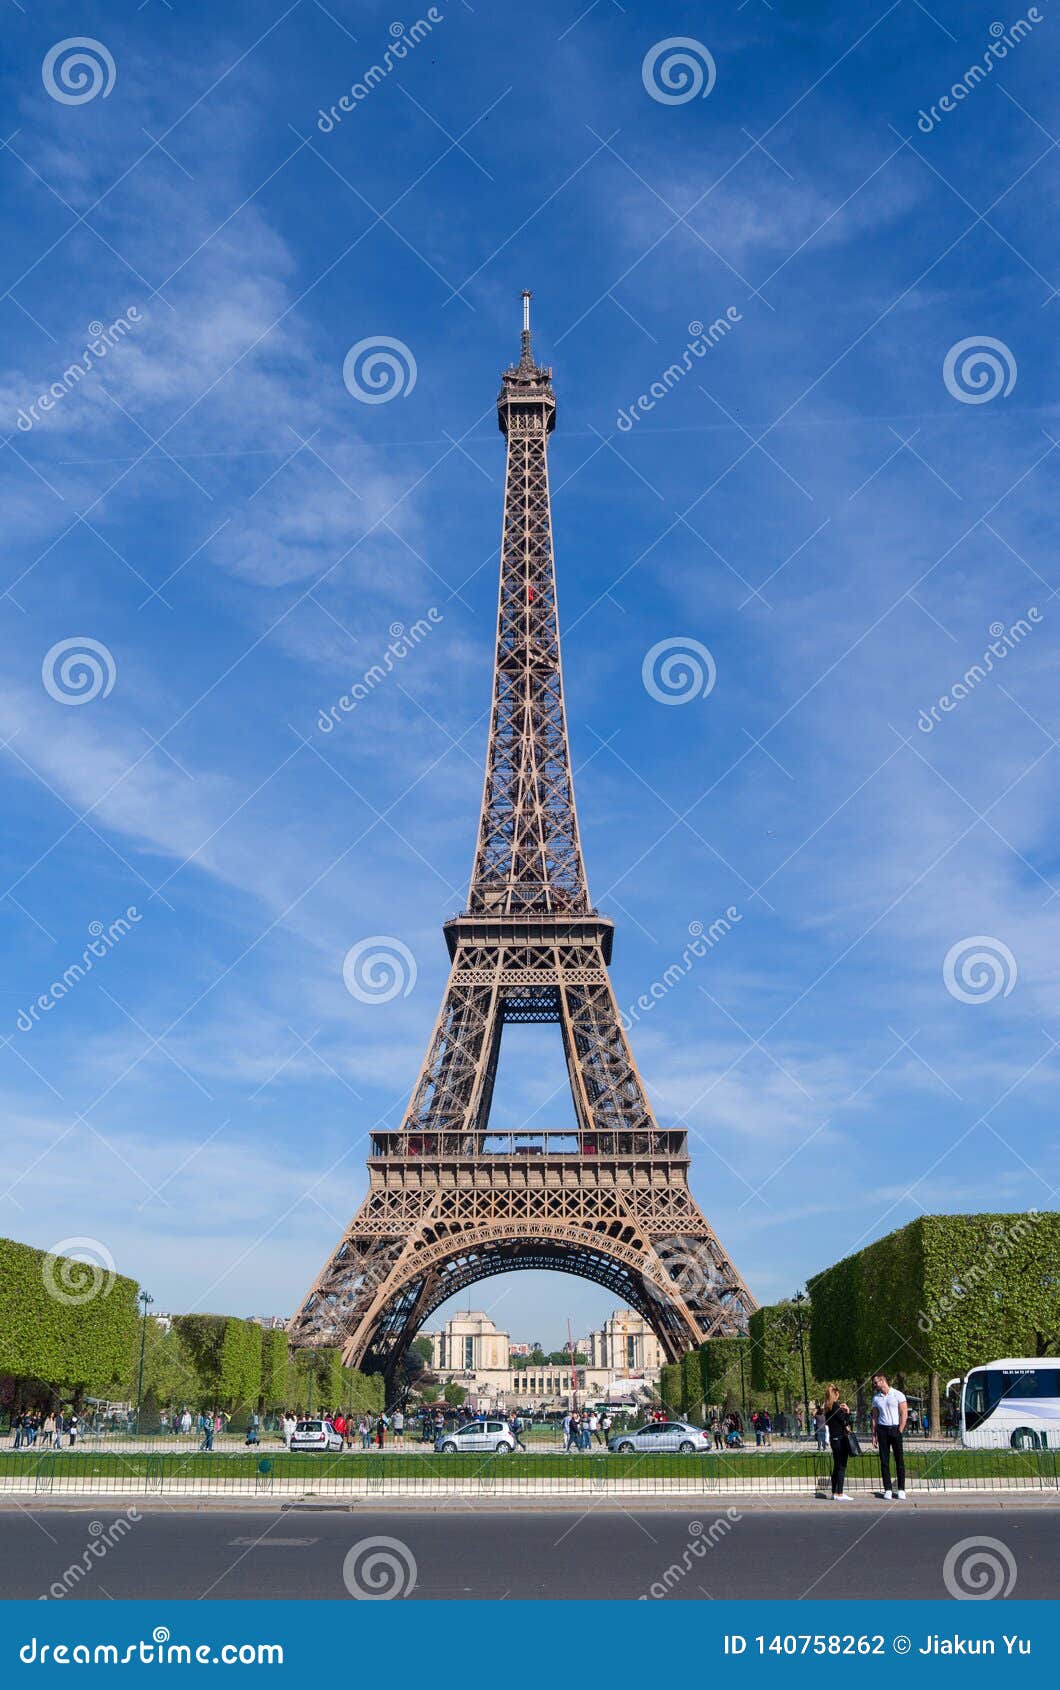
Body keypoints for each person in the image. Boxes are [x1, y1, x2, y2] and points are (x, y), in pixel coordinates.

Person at [871, 1373, 908, 1500]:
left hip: (895, 1428)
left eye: (876, 1382)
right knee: (884, 1461)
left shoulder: (898, 1394)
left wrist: (900, 1429)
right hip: (882, 1430)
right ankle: (888, 1489)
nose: (874, 1385)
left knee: (899, 1460)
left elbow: (904, 1412)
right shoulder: (876, 1398)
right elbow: (874, 1417)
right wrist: (874, 1434)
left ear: (882, 1381)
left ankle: (901, 1489)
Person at [824, 1384, 852, 1500]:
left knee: (836, 1466)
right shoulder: (835, 1406)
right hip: (840, 1439)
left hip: (833, 1439)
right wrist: (847, 1412)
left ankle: (834, 1492)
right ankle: (839, 1492)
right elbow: (845, 1422)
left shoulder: (827, 1408)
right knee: (841, 1466)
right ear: (836, 1394)